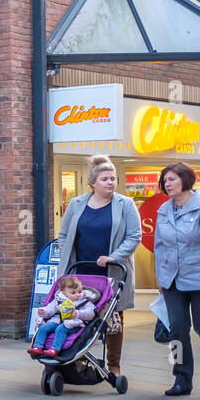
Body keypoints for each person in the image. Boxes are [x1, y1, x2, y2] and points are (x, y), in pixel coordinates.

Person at [56, 154, 141, 376]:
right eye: (105, 179)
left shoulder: (126, 204)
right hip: (81, 271)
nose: (111, 182)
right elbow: (64, 235)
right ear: (92, 182)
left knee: (113, 319)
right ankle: (74, 359)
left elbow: (134, 236)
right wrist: (68, 257)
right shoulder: (76, 204)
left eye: (113, 178)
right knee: (77, 316)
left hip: (111, 271)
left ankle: (114, 365)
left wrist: (114, 256)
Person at [152, 162, 200, 397]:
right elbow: (159, 246)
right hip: (172, 281)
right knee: (177, 329)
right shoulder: (164, 210)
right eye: (165, 180)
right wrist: (160, 277)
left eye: (172, 179)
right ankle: (182, 378)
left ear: (186, 179)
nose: (167, 184)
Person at [28, 275, 96, 357]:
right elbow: (50, 309)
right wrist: (43, 312)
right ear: (64, 293)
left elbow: (91, 313)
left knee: (61, 329)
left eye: (80, 291)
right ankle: (38, 347)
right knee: (44, 327)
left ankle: (55, 349)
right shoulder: (59, 300)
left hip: (74, 324)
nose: (78, 295)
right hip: (58, 321)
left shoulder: (85, 302)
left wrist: (78, 313)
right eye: (73, 293)